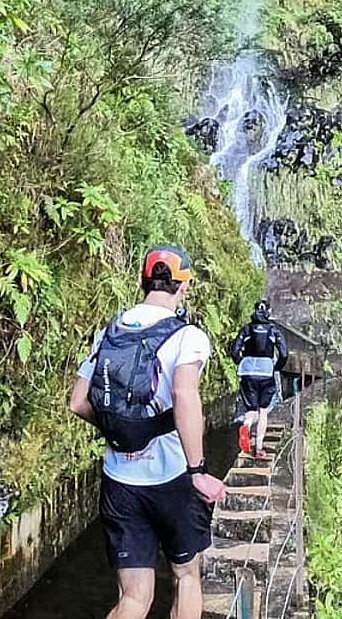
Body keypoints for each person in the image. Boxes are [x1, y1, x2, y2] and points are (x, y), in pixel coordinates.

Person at [68, 245, 226, 619]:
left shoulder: (110, 331)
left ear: (143, 280)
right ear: (182, 287)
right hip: (172, 477)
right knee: (186, 577)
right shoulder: (187, 337)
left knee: (134, 598)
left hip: (120, 479)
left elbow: (77, 402)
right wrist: (197, 470)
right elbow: (184, 393)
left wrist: (125, 434)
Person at [229, 299, 288, 459]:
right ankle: (259, 447)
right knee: (263, 411)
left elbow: (234, 349)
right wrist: (277, 367)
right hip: (266, 372)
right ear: (268, 312)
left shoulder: (246, 330)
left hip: (248, 372)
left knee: (251, 410)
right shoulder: (273, 331)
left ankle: (246, 425)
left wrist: (240, 361)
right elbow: (284, 353)